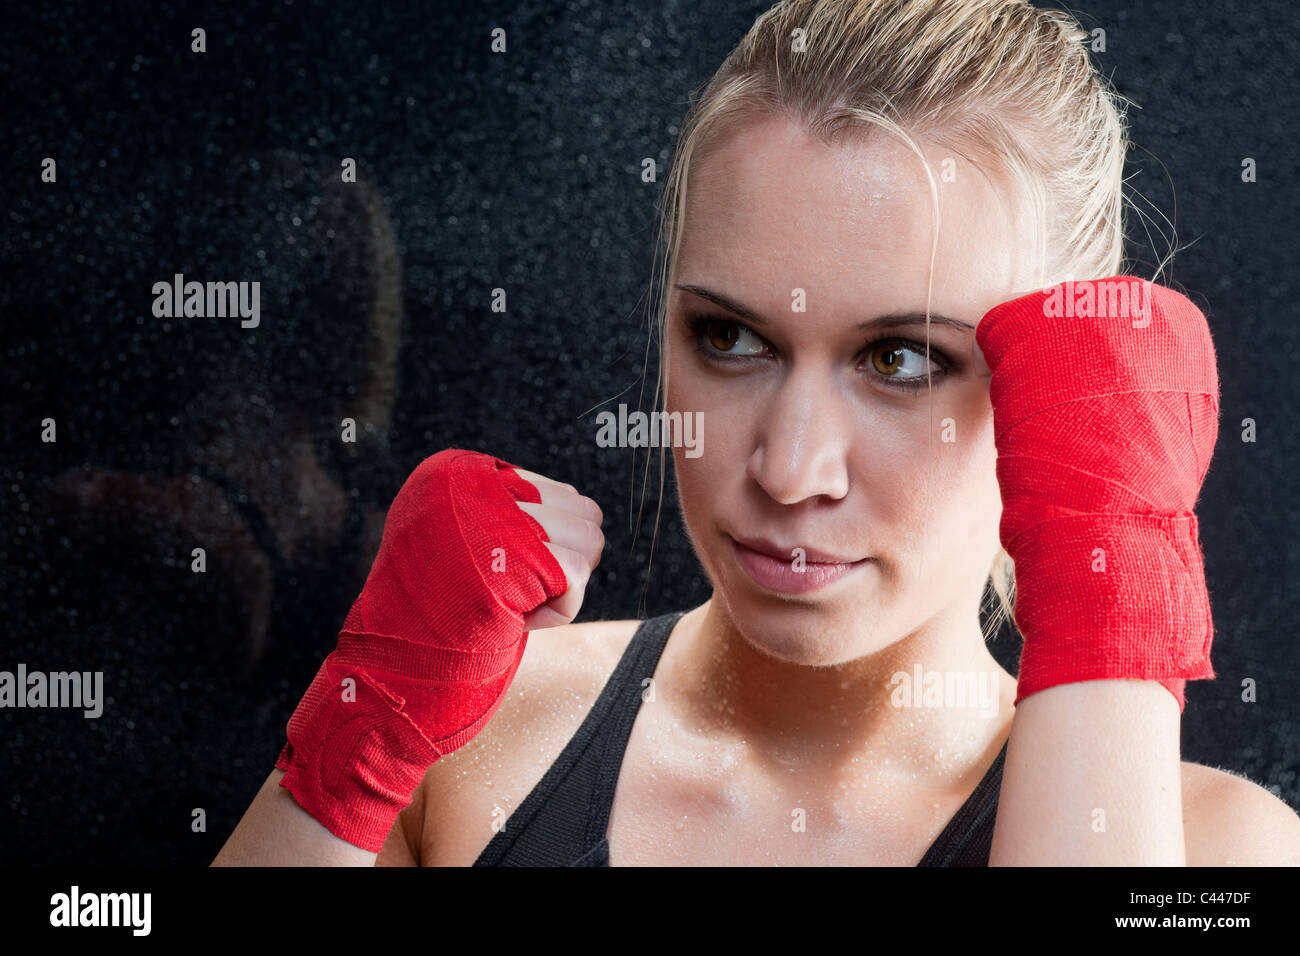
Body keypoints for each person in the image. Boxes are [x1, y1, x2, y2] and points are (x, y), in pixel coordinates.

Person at [214, 0, 1300, 866]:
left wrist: (1116, 587)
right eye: (730, 335)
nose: (787, 470)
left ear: (1062, 386)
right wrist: (355, 738)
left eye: (902, 359)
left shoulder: (1219, 852)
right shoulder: (472, 749)